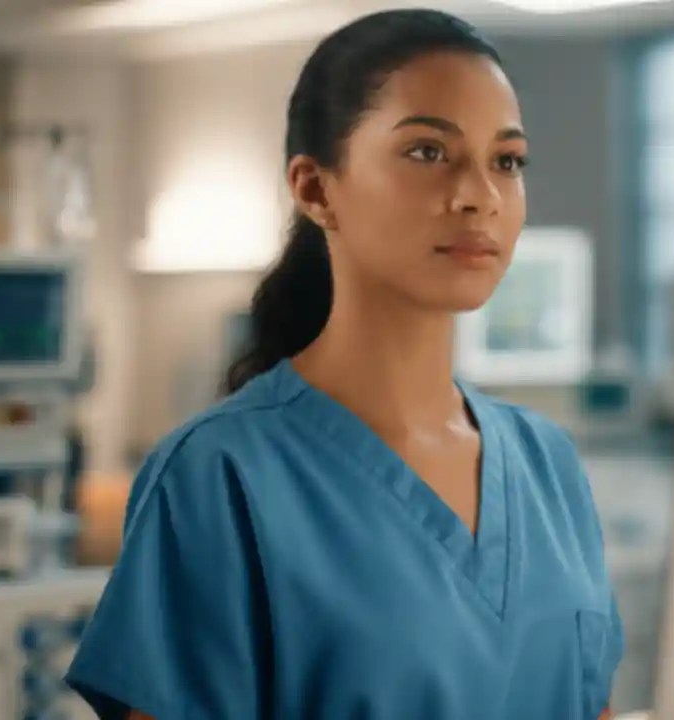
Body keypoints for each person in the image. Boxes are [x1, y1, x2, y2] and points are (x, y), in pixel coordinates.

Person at [65, 8, 624, 719]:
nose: (478, 195)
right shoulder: (219, 477)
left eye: (506, 161)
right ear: (315, 189)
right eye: (428, 151)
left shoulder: (549, 465)